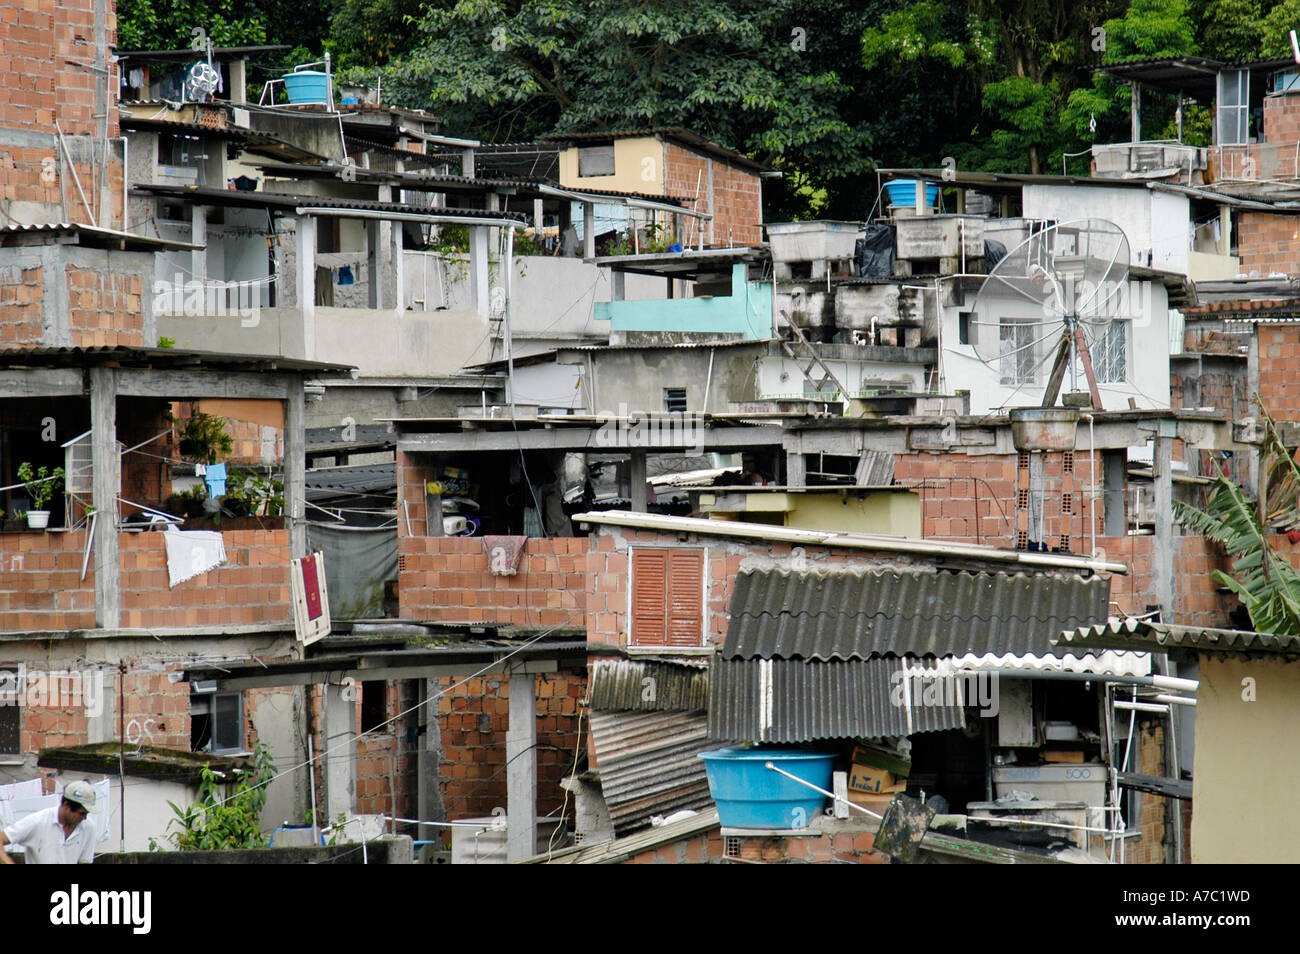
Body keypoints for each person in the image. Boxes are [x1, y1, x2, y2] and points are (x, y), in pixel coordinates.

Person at [0, 780, 101, 864]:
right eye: (81, 813)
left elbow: (84, 861)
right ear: (66, 805)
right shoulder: (39, 821)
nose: (84, 818)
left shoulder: (88, 828)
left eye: (86, 814)